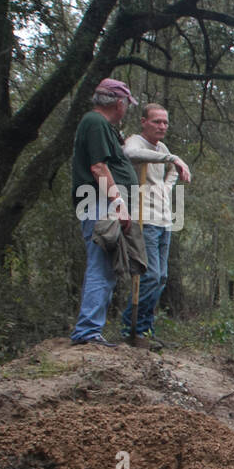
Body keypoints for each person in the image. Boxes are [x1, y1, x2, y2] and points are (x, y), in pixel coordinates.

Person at [70, 78, 142, 347]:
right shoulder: (95, 122)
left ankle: (91, 330)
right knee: (101, 264)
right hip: (99, 201)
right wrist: (118, 203)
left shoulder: (104, 127)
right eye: (126, 104)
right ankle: (87, 332)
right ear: (119, 103)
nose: (126, 108)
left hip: (104, 201)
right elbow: (98, 168)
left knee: (107, 267)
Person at [121, 104, 191, 350]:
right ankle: (132, 329)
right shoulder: (135, 142)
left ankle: (146, 331)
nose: (162, 126)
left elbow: (172, 169)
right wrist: (172, 158)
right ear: (144, 122)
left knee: (161, 277)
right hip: (143, 218)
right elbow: (129, 155)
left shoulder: (162, 148)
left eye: (165, 122)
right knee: (148, 275)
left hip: (163, 220)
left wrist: (166, 185)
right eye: (156, 122)